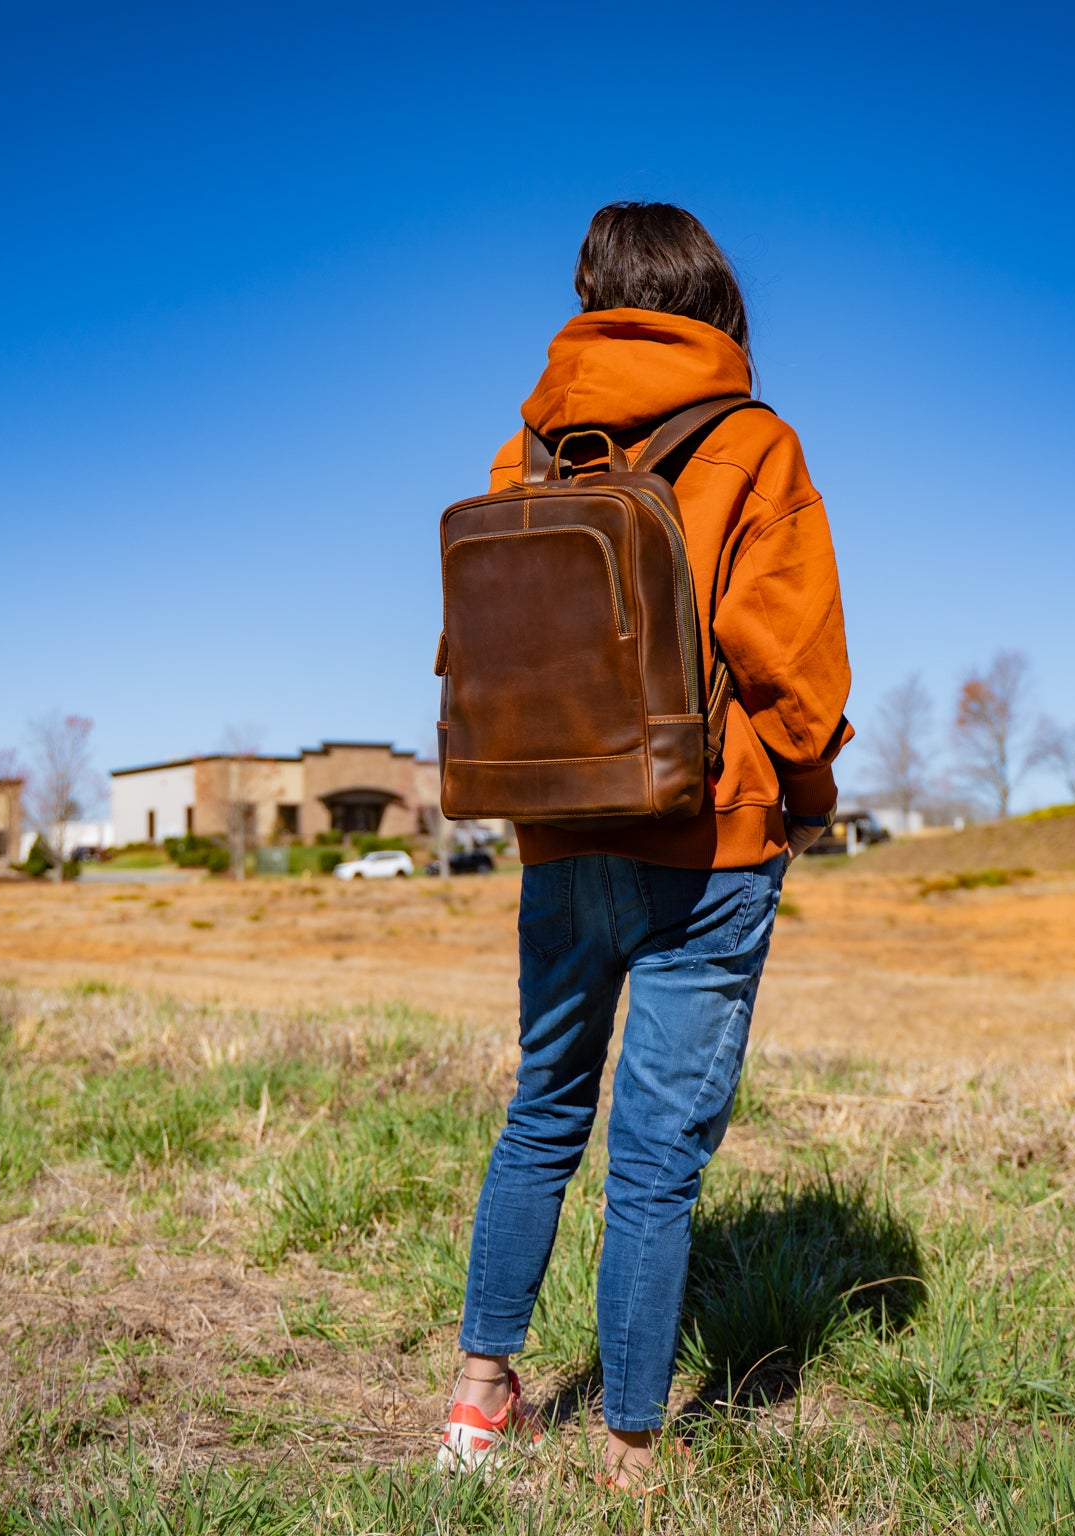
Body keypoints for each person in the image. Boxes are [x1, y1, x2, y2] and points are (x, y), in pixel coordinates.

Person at [436, 202, 853, 1490]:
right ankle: (627, 1448)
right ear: (716, 298)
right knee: (656, 1163)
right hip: (706, 841)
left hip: (561, 833)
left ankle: (477, 1395)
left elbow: (486, 652)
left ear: (592, 294)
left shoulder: (528, 452)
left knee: (541, 1113)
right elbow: (792, 665)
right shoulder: (751, 442)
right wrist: (806, 791)